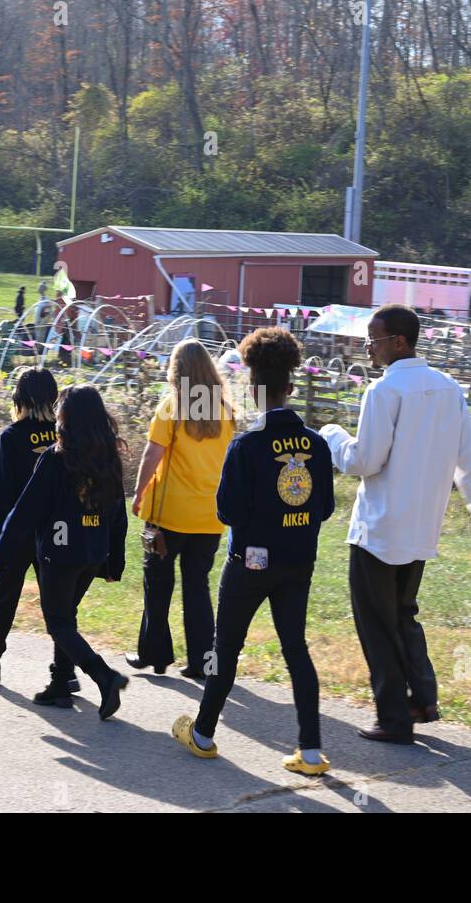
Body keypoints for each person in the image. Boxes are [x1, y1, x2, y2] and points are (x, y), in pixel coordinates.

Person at [320, 304, 471, 744]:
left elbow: (365, 461)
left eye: (374, 339)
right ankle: (422, 698)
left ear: (398, 341)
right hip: (421, 530)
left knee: (377, 624)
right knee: (402, 615)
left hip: (379, 530)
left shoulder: (384, 392)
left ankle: (394, 718)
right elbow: (470, 463)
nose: (368, 347)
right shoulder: (449, 389)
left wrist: (332, 437)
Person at [171, 328, 335, 774]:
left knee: (226, 648)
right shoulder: (317, 445)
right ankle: (312, 750)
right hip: (297, 562)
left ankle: (203, 734)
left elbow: (226, 512)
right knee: (296, 650)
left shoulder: (246, 445)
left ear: (251, 386)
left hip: (250, 562)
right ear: (292, 386)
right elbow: (324, 509)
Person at [0, 385, 130, 718]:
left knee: (58, 623)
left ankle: (103, 676)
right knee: (68, 615)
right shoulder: (109, 457)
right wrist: (115, 561)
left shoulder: (55, 458)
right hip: (93, 553)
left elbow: (26, 511)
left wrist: (2, 552)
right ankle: (60, 682)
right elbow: (118, 514)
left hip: (60, 553)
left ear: (66, 418)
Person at [128, 338, 235, 680]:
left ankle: (155, 654)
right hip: (210, 515)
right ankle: (203, 660)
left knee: (157, 583)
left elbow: (152, 455)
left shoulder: (171, 407)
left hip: (168, 513)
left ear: (176, 371)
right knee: (197, 586)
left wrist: (138, 491)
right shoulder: (226, 411)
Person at [0, 368, 60, 687]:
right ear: (54, 397)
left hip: (19, 531)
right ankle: (63, 671)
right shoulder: (65, 434)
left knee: (6, 598)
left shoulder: (11, 437)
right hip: (56, 532)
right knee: (56, 603)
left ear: (19, 399)